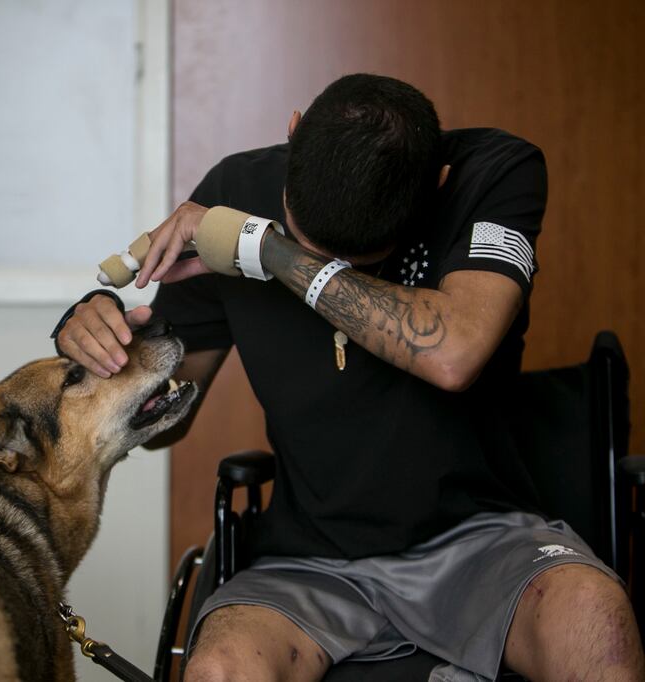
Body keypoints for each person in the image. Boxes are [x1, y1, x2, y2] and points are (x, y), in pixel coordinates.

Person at [54, 74, 644, 680]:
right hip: (308, 560)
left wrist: (271, 249)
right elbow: (161, 425)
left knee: (596, 621)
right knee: (221, 669)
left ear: (435, 185)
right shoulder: (236, 189)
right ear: (294, 131)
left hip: (481, 541)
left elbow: (455, 353)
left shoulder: (490, 172)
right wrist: (97, 340)